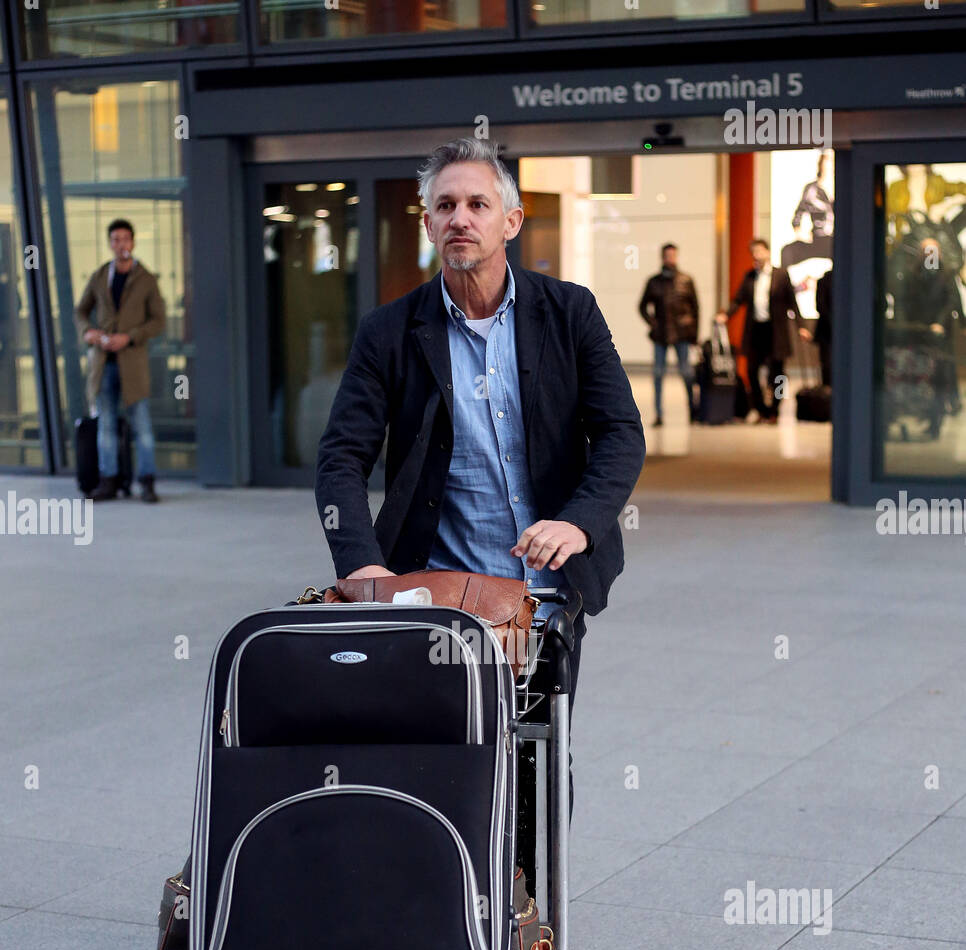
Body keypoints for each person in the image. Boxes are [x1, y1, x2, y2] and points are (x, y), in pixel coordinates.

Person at [315, 136, 645, 892]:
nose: (460, 218)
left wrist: (579, 521)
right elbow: (341, 460)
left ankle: (532, 936)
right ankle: (444, 921)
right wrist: (361, 563)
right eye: (445, 207)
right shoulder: (388, 332)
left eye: (476, 204)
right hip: (433, 600)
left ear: (512, 221)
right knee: (437, 756)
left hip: (544, 596)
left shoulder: (570, 314)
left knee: (534, 758)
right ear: (428, 226)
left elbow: (621, 433)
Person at [74, 218, 166, 503]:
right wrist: (89, 333)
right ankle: (108, 481)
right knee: (106, 426)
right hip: (103, 365)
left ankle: (147, 482)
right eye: (115, 239)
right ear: (110, 243)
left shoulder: (146, 279)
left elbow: (158, 321)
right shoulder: (101, 275)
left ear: (133, 242)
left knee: (142, 427)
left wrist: (130, 337)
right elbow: (81, 311)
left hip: (132, 364)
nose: (121, 244)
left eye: (125, 239)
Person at [716, 238, 812, 424]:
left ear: (767, 252)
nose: (756, 255)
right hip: (756, 331)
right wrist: (726, 315)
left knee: (778, 373)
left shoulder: (781, 275)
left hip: (776, 331)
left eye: (759, 251)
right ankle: (759, 408)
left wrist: (802, 327)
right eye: (753, 252)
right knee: (752, 371)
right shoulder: (750, 276)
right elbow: (738, 300)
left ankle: (775, 408)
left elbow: (792, 303)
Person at [893, 237, 961, 440]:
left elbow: (950, 301)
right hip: (918, 332)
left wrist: (940, 323)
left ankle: (936, 420)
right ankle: (925, 416)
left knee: (940, 375)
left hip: (938, 334)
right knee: (921, 374)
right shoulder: (913, 273)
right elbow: (905, 300)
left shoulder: (945, 275)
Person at [638, 243, 699, 426]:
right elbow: (642, 306)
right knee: (658, 373)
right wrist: (652, 323)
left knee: (686, 373)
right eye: (667, 256)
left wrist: (694, 335)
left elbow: (696, 309)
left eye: (673, 255)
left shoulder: (686, 280)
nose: (670, 259)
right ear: (662, 257)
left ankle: (692, 411)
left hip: (682, 334)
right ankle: (659, 414)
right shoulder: (654, 282)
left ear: (677, 257)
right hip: (661, 334)